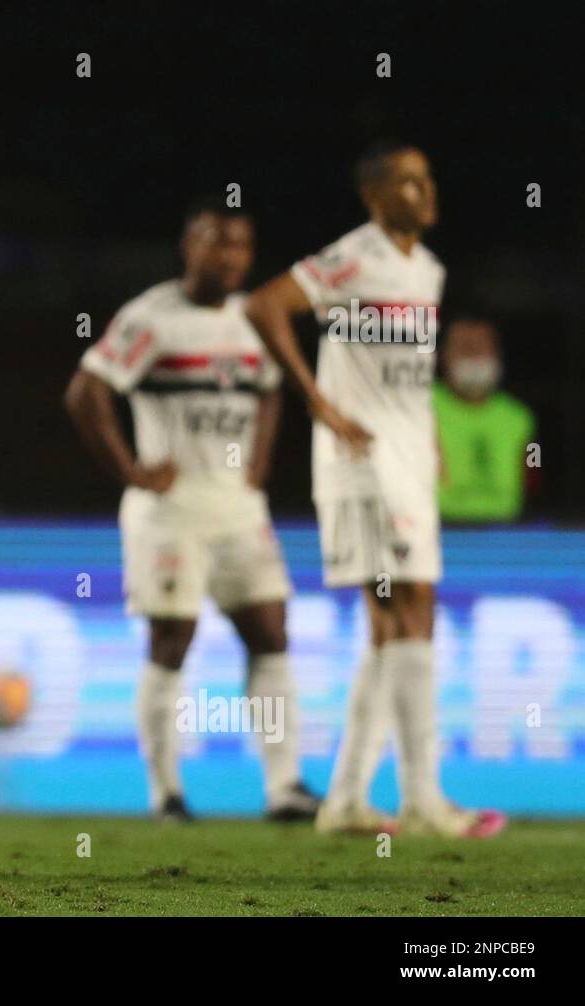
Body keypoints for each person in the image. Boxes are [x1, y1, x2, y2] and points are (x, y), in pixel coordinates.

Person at [244, 140, 505, 838]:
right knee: (405, 606)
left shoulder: (429, 272)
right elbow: (265, 306)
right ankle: (420, 798)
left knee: (395, 624)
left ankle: (350, 800)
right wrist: (317, 402)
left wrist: (431, 443)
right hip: (359, 464)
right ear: (374, 196)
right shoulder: (353, 256)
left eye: (429, 180)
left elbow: (407, 373)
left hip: (408, 460)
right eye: (410, 182)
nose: (426, 192)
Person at [65, 198, 320, 823]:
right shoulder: (152, 317)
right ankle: (166, 794)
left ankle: (285, 787)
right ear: (190, 246)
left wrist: (258, 465)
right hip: (169, 510)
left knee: (271, 632)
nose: (230, 256)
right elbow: (85, 391)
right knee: (171, 641)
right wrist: (130, 471)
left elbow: (270, 394)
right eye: (217, 242)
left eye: (240, 244)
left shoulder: (255, 319)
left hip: (237, 506)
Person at [434, 319, 535, 522]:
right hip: (440, 528)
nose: (474, 355)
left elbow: (533, 474)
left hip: (508, 532)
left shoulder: (519, 417)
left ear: (497, 354)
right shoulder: (420, 408)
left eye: (481, 347)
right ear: (443, 354)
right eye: (465, 347)